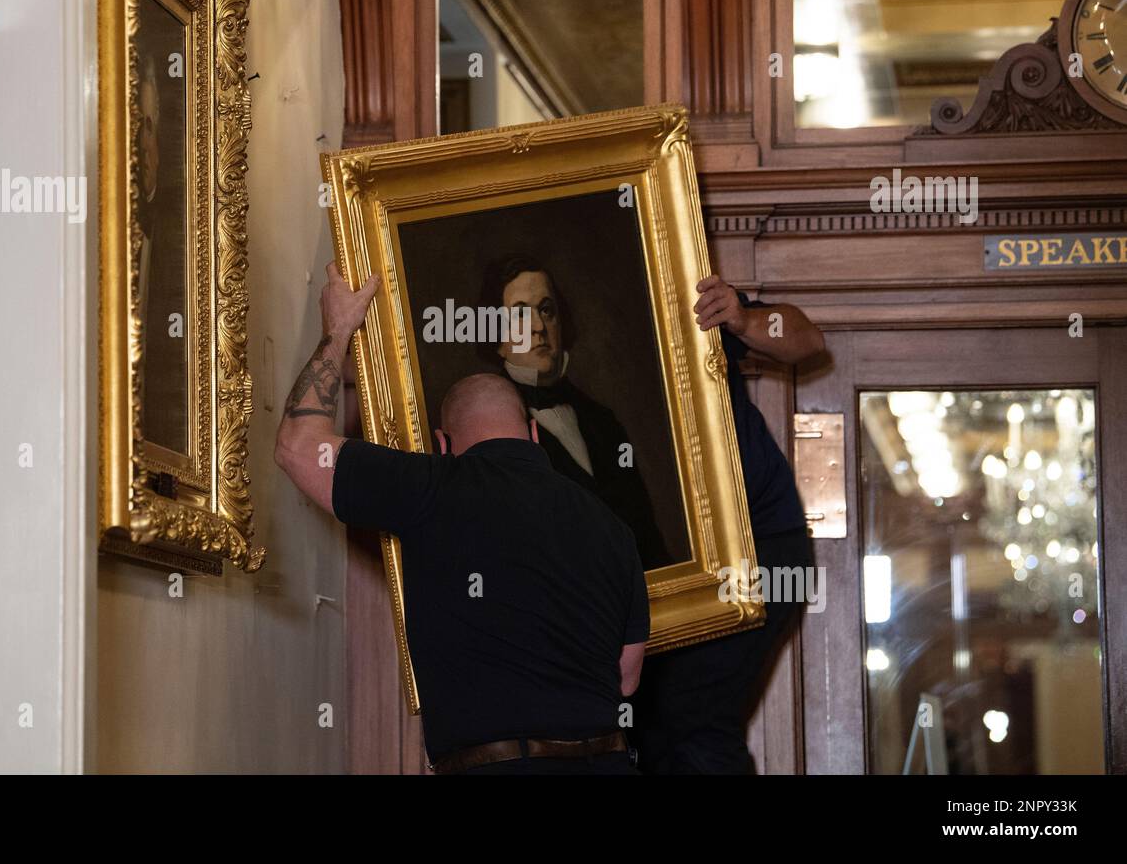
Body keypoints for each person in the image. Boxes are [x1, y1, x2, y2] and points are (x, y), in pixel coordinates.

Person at [275, 263, 651, 775]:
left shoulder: (431, 487)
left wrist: (338, 328)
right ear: (535, 437)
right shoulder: (614, 529)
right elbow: (626, 679)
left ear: (444, 444)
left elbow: (299, 448)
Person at [631, 274, 826, 774]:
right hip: (664, 565)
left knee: (692, 717)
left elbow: (806, 339)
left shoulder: (675, 287)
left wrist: (741, 318)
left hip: (756, 545)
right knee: (651, 727)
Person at [478, 254, 673, 568]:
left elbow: (649, 542)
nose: (539, 327)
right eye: (520, 315)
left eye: (546, 310)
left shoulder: (604, 422)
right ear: (495, 336)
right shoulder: (488, 430)